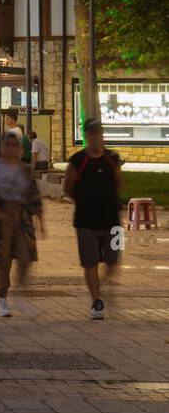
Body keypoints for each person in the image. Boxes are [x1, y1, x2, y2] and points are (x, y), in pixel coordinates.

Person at [0, 131, 44, 318]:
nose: (11, 149)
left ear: (20, 149)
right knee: (3, 260)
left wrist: (40, 220)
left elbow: (34, 195)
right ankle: (2, 298)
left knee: (25, 258)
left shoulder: (26, 170)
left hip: (22, 219)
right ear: (1, 148)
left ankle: (20, 292)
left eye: (14, 146)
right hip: (1, 220)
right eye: (7, 145)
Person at [64, 119, 123, 320]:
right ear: (87, 136)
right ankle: (96, 300)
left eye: (99, 133)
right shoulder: (78, 160)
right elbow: (68, 187)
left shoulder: (112, 158)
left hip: (113, 221)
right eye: (93, 133)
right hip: (86, 221)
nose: (97, 137)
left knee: (114, 261)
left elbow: (118, 183)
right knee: (90, 263)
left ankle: (100, 287)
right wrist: (82, 201)